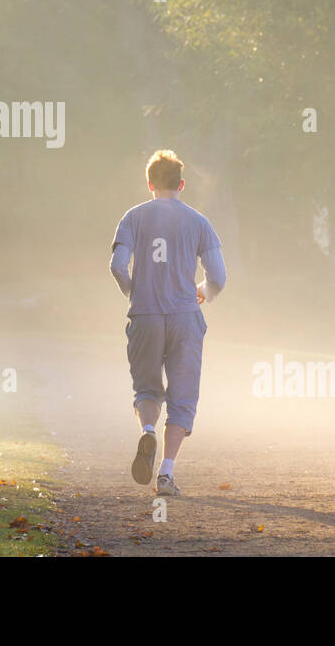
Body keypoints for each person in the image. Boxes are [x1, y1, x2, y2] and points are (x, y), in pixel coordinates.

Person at [109, 149, 227, 496]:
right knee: (183, 397)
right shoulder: (199, 222)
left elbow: (117, 265)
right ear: (182, 184)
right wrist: (203, 291)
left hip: (145, 315)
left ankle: (147, 431)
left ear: (150, 185)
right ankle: (166, 474)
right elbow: (218, 277)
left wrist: (135, 292)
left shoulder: (132, 218)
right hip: (184, 315)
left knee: (146, 388)